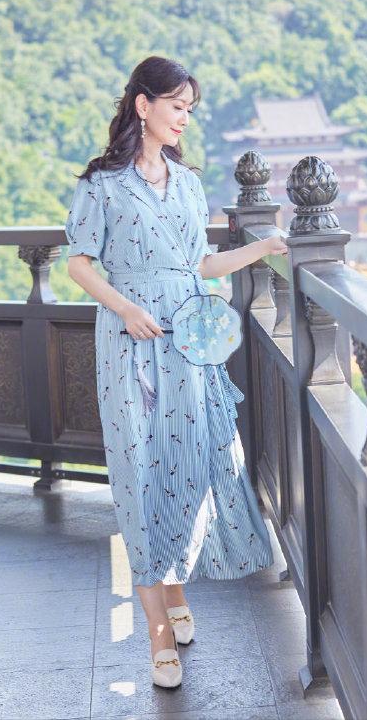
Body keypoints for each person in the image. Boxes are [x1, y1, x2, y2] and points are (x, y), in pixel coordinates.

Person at [65, 55, 288, 687]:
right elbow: (78, 264)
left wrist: (260, 248)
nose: (185, 118)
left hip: (188, 341)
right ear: (144, 105)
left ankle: (177, 591)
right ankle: (157, 633)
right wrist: (125, 308)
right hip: (131, 341)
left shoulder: (188, 184)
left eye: (190, 109)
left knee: (189, 463)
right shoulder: (102, 184)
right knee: (140, 471)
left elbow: (200, 266)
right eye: (176, 106)